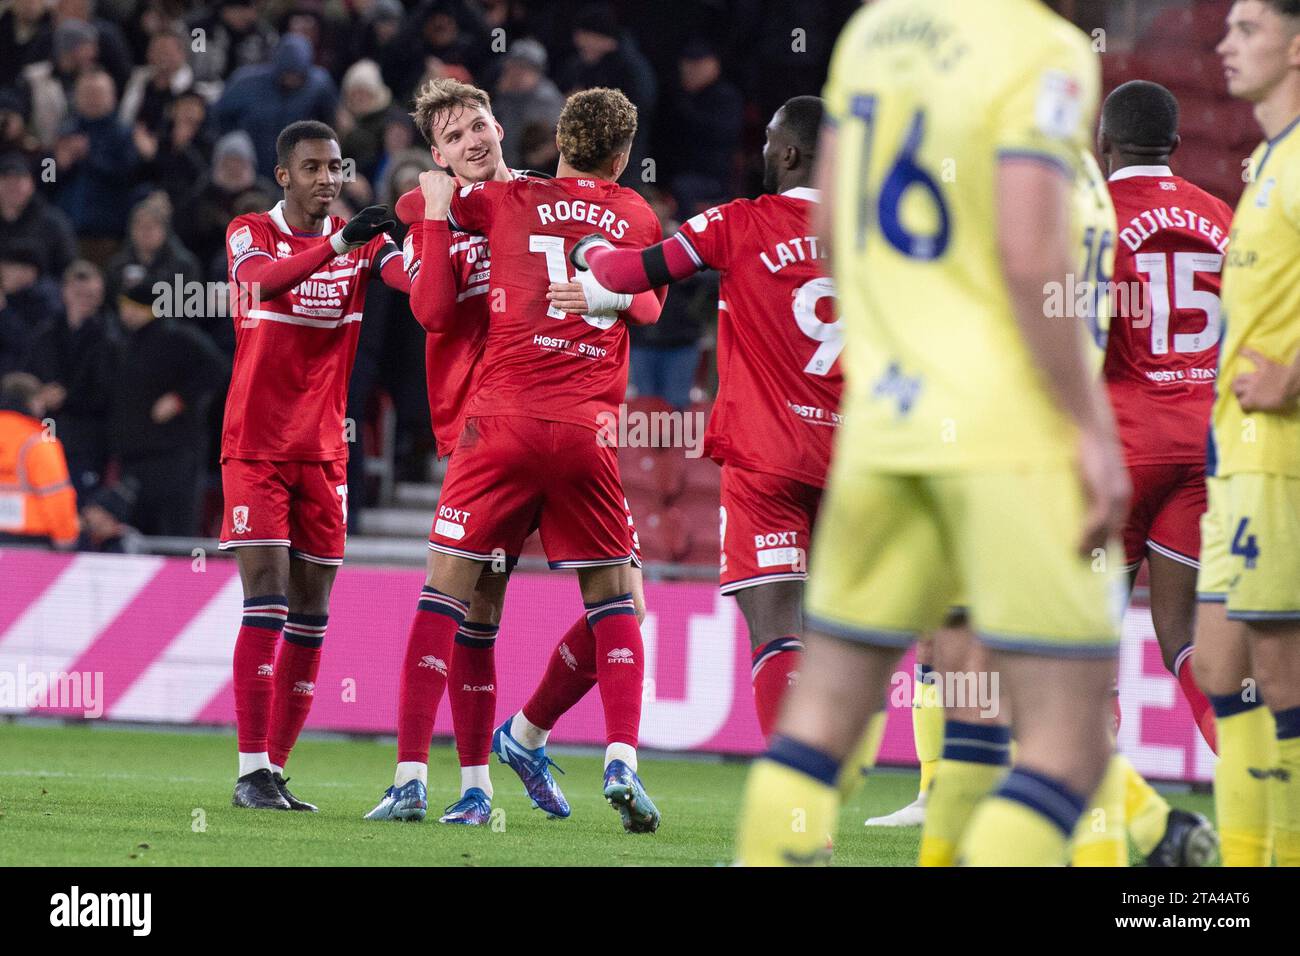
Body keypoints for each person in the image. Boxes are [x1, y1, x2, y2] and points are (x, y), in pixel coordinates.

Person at [735, 0, 1130, 866]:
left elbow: (833, 223)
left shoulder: (876, 32)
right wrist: (1089, 428)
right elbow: (1031, 253)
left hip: (884, 427)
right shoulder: (1044, 49)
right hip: (1006, 435)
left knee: (823, 719)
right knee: (1067, 743)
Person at [369, 87, 666, 834]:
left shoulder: (515, 200)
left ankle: (515, 744)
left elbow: (643, 297)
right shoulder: (461, 209)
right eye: (452, 135)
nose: (470, 139)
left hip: (518, 424)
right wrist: (426, 216)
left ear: (500, 127)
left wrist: (605, 290)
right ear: (437, 156)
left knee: (560, 605)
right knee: (482, 612)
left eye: (477, 124)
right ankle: (467, 780)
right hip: (483, 425)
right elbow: (432, 307)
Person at [570, 95, 842, 740]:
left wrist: (586, 252)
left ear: (792, 153)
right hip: (853, 465)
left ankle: (795, 821)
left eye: (772, 138)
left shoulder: (736, 223)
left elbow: (630, 272)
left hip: (767, 459)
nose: (765, 149)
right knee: (841, 637)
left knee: (779, 634)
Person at [220, 119, 410, 811]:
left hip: (325, 452)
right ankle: (247, 769)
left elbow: (413, 286)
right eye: (312, 168)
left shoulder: (362, 246)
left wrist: (433, 232)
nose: (328, 178)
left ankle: (273, 768)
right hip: (257, 447)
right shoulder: (252, 230)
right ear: (283, 175)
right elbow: (260, 284)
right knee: (265, 601)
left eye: (335, 167)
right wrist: (340, 242)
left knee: (311, 614)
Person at [1099, 79, 1233, 758]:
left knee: (1085, 638)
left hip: (1119, 448)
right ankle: (1255, 787)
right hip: (1203, 448)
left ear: (1103, 142)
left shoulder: (1092, 218)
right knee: (1183, 634)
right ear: (1176, 146)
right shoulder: (1222, 216)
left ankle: (1103, 819)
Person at [1199, 0, 1300, 867]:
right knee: (1218, 668)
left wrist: (1294, 373)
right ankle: (1241, 872)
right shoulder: (1267, 160)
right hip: (1235, 458)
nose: (1225, 45)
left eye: (1248, 30)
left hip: (1283, 460)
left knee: (1282, 675)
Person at [108, 281, 228, 537]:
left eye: (132, 307)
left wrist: (180, 399)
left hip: (174, 453)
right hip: (135, 456)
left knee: (175, 527)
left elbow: (218, 368)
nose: (125, 313)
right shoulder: (123, 342)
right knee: (136, 531)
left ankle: (182, 577)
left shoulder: (177, 336)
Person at [20, 259, 117, 500]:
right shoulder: (44, 334)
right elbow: (26, 375)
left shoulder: (110, 338)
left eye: (91, 294)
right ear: (65, 292)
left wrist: (67, 397)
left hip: (87, 441)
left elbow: (110, 391)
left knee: (80, 503)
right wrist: (39, 395)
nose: (84, 299)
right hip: (45, 436)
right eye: (78, 293)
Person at [0, 371, 79, 549]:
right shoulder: (38, 442)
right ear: (31, 402)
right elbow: (56, 495)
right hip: (30, 544)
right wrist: (66, 538)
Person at [0, 152, 78, 279]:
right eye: (6, 180)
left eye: (19, 180)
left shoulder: (53, 223)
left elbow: (68, 269)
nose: (13, 186)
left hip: (44, 294)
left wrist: (32, 278)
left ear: (31, 184)